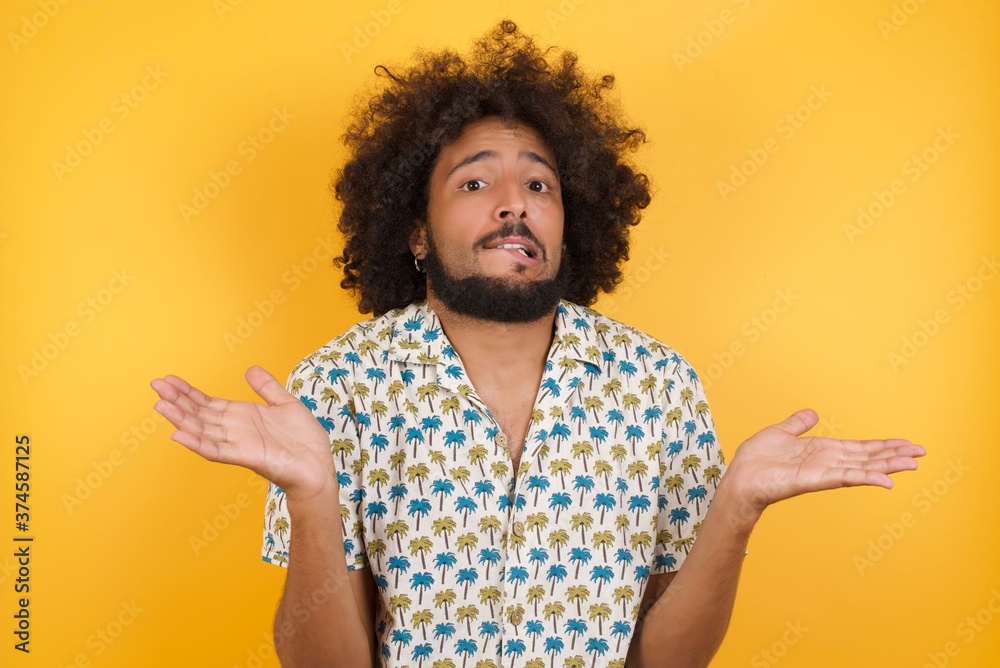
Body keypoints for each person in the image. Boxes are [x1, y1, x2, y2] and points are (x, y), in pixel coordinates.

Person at [149, 21, 925, 668]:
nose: (516, 204)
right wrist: (311, 493)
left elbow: (664, 662)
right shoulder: (334, 389)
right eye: (476, 183)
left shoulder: (658, 386)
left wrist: (737, 508)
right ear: (415, 231)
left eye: (541, 185)